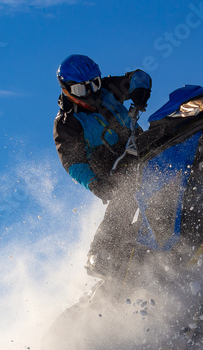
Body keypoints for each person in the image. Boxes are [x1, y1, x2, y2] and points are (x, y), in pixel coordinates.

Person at [54, 54, 152, 277]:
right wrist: (95, 183)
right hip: (110, 168)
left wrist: (139, 92)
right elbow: (73, 163)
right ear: (67, 89)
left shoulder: (106, 90)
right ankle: (101, 255)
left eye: (94, 85)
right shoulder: (67, 123)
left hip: (138, 146)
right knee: (125, 195)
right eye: (81, 90)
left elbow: (139, 76)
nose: (90, 94)